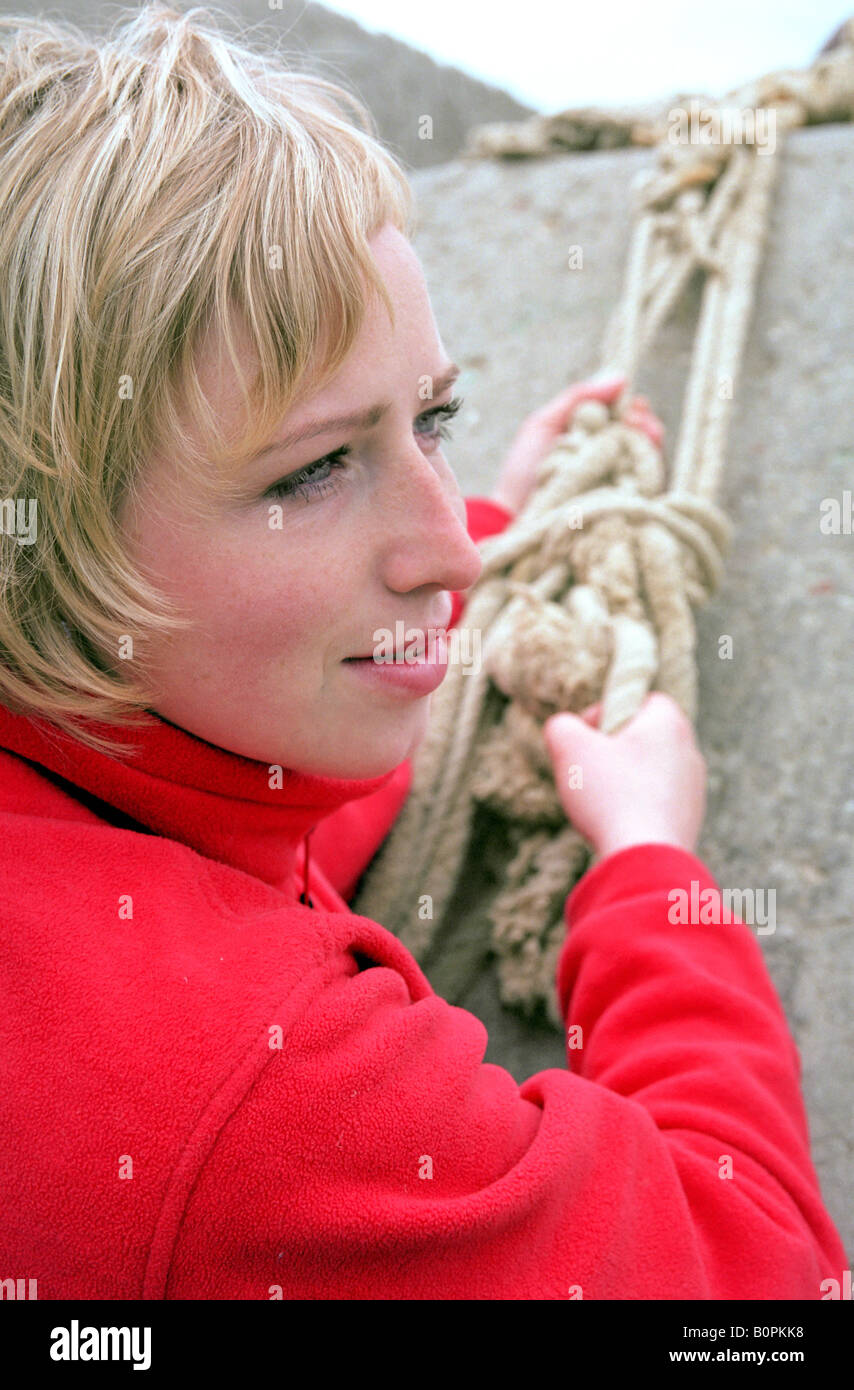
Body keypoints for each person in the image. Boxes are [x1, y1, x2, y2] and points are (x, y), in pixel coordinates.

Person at [0, 4, 846, 1301]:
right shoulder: (253, 1093)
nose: (455, 555)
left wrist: (487, 514)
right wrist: (648, 872)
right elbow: (754, 1291)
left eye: (431, 416)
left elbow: (242, 818)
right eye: (318, 465)